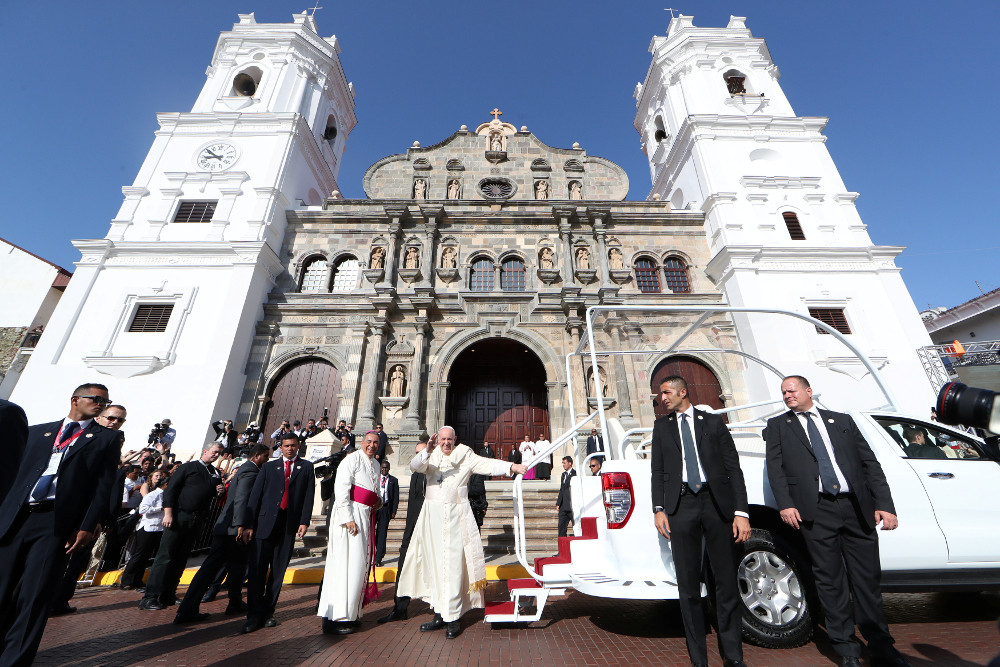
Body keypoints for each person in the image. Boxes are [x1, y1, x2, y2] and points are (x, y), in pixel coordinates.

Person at [765, 376, 909, 667]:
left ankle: (882, 646)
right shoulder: (779, 426)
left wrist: (884, 505)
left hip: (857, 508)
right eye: (783, 392)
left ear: (808, 391)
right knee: (831, 581)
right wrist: (786, 504)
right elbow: (775, 469)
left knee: (867, 581)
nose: (787, 395)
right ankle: (846, 648)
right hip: (816, 511)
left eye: (792, 390)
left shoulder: (841, 420)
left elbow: (869, 464)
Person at [0, 386, 120, 667]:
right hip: (15, 517)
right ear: (75, 399)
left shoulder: (106, 439)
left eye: (106, 401)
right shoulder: (37, 430)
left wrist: (87, 525)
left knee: (35, 594)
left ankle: (14, 660)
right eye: (96, 399)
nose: (101, 404)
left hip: (54, 521)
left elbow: (102, 486)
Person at [650, 376, 750, 667]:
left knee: (725, 582)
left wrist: (741, 512)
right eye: (660, 394)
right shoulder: (662, 426)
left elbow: (734, 468)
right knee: (688, 586)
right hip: (681, 506)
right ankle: (699, 660)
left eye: (667, 392)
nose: (662, 398)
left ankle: (733, 657)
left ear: (683, 392)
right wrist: (658, 508)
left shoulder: (713, 422)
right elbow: (658, 470)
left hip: (716, 504)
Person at [396, 426, 526, 638]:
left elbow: (487, 464)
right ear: (437, 439)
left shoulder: (465, 454)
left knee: (454, 566)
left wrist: (511, 466)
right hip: (432, 519)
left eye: (449, 439)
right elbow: (415, 466)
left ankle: (453, 617)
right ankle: (439, 613)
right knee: (434, 565)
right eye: (442, 439)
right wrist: (428, 449)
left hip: (457, 517)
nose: (446, 443)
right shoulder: (431, 453)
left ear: (454, 439)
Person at [173, 444, 270, 623]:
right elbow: (242, 497)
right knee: (214, 568)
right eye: (265, 456)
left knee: (236, 567)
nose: (267, 460)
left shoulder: (245, 470)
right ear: (256, 456)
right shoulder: (250, 471)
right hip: (233, 530)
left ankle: (233, 602)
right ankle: (188, 609)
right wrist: (241, 524)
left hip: (228, 527)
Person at [240, 432, 315, 634]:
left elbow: (309, 495)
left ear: (298, 446)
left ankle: (268, 613)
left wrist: (304, 521)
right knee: (257, 571)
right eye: (286, 445)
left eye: (293, 445)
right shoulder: (269, 467)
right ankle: (253, 615)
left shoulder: (306, 467)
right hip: (264, 524)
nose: (289, 448)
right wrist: (248, 524)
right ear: (280, 447)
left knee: (278, 572)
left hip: (287, 526)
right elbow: (255, 496)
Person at [138, 442, 225, 610]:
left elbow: (210, 493)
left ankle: (168, 594)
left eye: (219, 453)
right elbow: (171, 490)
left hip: (197, 520)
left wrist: (218, 491)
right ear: (205, 451)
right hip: (179, 516)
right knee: (165, 556)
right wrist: (168, 513)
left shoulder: (214, 472)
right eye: (214, 451)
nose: (216, 455)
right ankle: (150, 596)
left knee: (181, 557)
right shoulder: (189, 467)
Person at [318, 431, 382, 634]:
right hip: (350, 517)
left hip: (365, 516)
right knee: (344, 566)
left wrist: (377, 502)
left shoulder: (376, 464)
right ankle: (335, 617)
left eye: (375, 443)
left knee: (357, 567)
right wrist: (348, 519)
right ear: (362, 442)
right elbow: (342, 489)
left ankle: (351, 614)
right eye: (368, 442)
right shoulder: (351, 459)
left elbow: (374, 491)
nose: (371, 445)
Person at [377, 442, 427, 624]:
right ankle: (400, 608)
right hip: (411, 529)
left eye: (422, 453)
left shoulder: (435, 474)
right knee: (403, 566)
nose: (418, 457)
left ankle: (441, 611)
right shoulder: (415, 474)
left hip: (430, 529)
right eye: (416, 453)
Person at [119, 469, 168, 589]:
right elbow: (142, 509)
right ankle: (126, 581)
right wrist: (159, 508)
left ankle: (137, 580)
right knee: (138, 555)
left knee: (145, 556)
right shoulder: (152, 495)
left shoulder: (165, 496)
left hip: (157, 528)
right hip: (147, 528)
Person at [374, 459, 399, 566]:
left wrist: (394, 511)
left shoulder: (393, 480)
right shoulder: (375, 478)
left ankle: (378, 558)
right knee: (372, 533)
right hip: (374, 508)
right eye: (382, 467)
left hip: (385, 509)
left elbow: (396, 497)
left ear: (389, 469)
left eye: (386, 468)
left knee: (382, 533)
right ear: (380, 468)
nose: (384, 469)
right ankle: (371, 554)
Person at [557, 456, 576, 537]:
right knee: (561, 527)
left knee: (576, 525)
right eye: (562, 463)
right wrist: (558, 503)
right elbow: (562, 489)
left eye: (564, 463)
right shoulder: (563, 475)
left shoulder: (575, 474)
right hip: (563, 506)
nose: (563, 465)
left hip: (571, 505)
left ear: (570, 463)